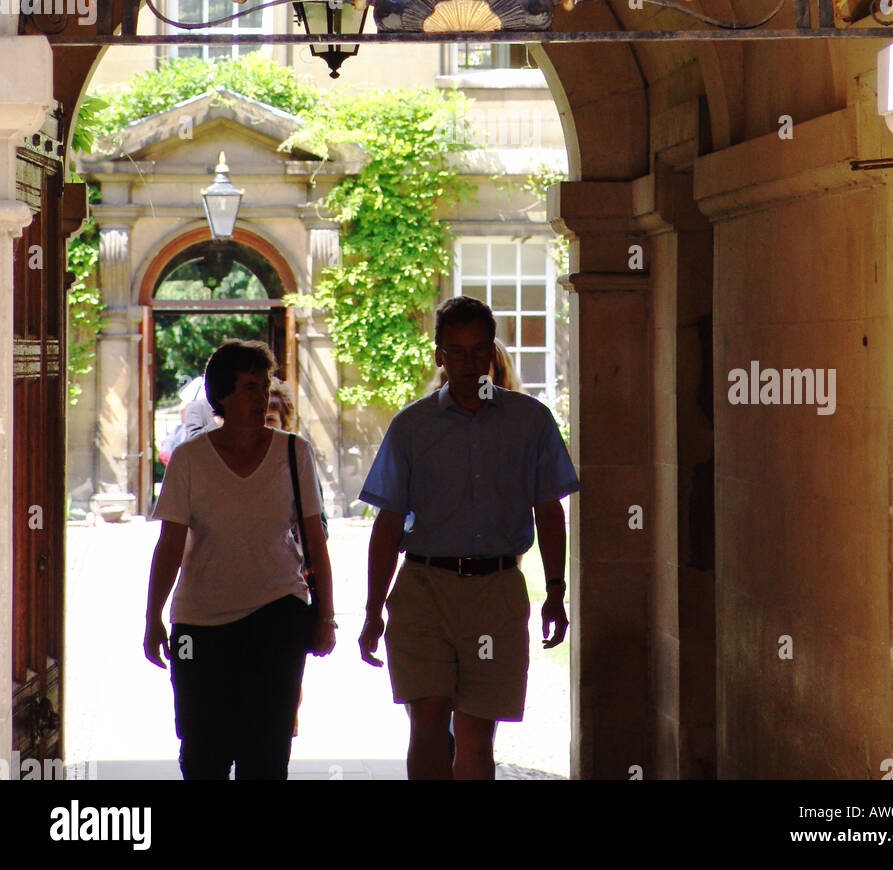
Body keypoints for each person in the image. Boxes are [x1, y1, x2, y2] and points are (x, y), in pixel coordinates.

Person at [357, 296, 579, 780]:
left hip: (495, 591)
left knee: (477, 732)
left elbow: (550, 511)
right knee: (428, 723)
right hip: (424, 589)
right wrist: (374, 609)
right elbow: (387, 524)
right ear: (438, 355)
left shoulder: (530, 421)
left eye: (479, 350)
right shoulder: (411, 427)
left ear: (492, 351)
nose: (468, 362)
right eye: (455, 351)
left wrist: (557, 591)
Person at [143, 338, 336, 780]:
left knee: (266, 755)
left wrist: (325, 615)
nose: (260, 397)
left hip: (277, 616)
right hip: (201, 625)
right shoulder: (190, 460)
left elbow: (314, 543)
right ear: (222, 396)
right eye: (249, 386)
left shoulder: (294, 452)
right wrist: (153, 617)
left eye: (264, 385)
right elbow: (169, 546)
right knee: (202, 752)